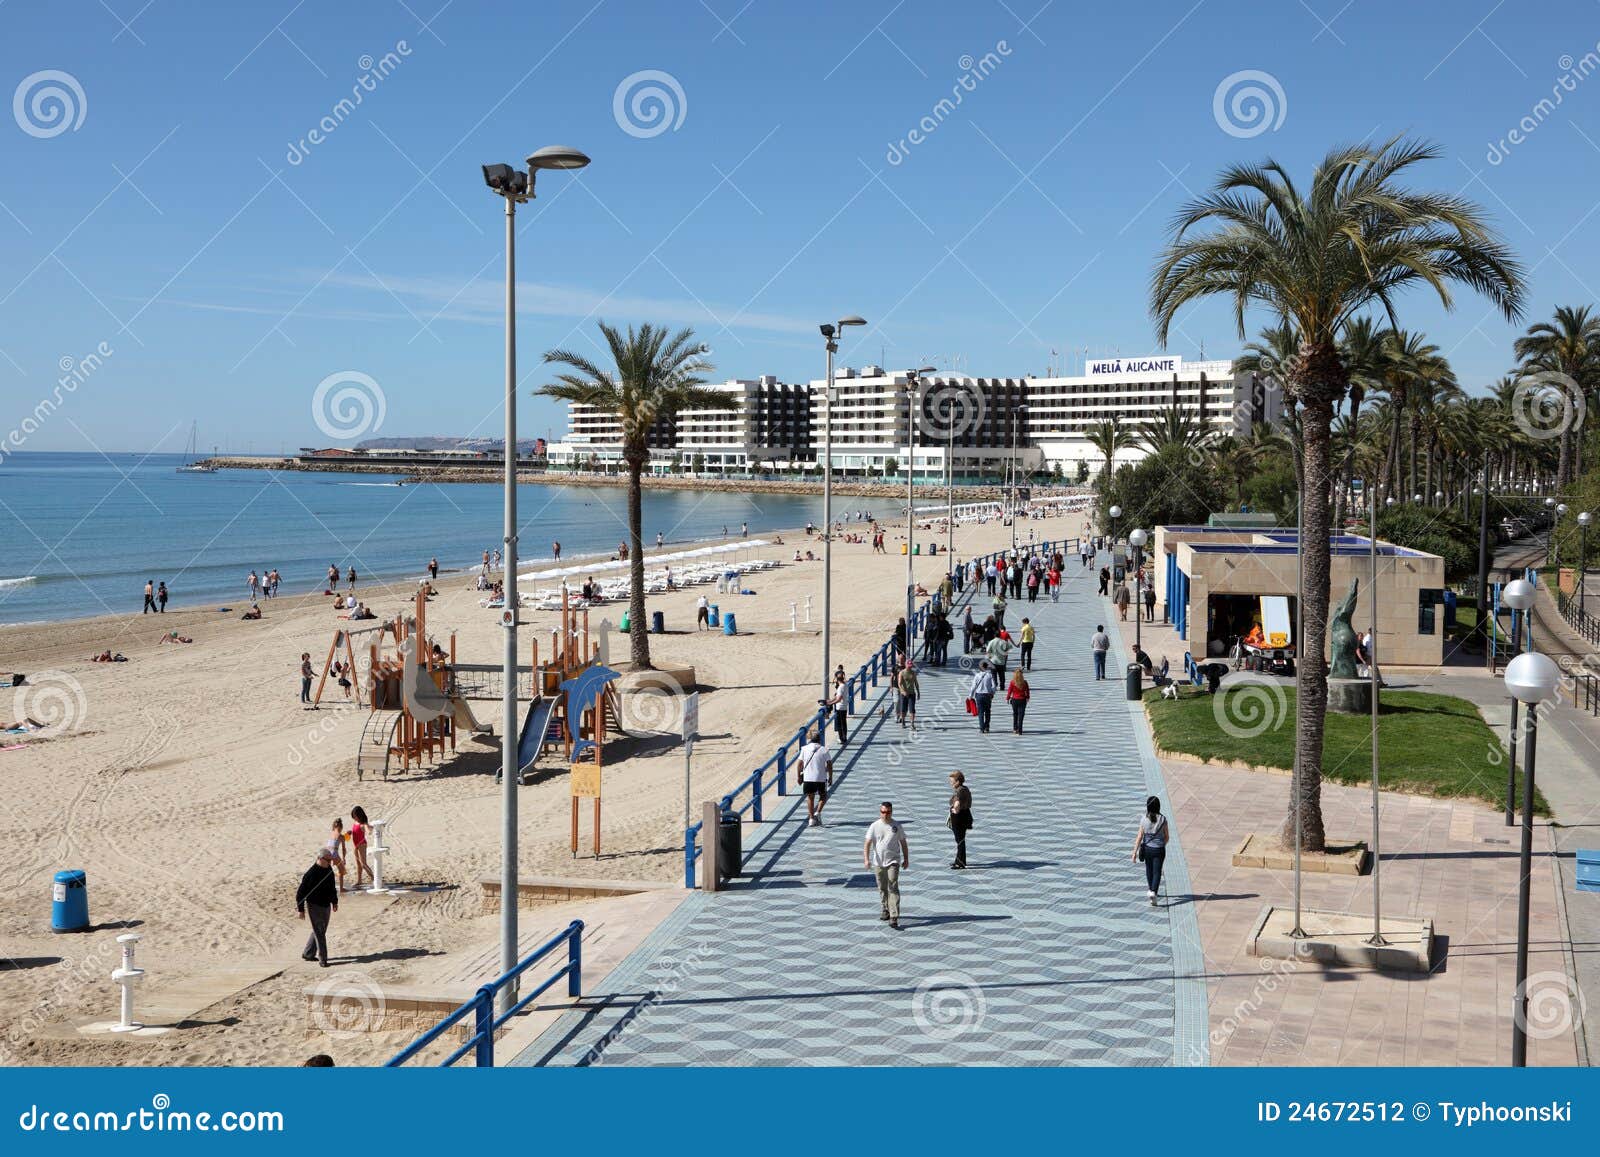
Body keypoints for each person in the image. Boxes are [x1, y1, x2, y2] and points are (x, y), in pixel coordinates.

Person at [863, 801, 909, 929]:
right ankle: (885, 909)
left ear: (891, 812)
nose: (885, 815)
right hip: (878, 862)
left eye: (888, 812)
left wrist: (906, 859)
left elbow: (903, 843)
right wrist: (866, 859)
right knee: (882, 887)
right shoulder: (874, 826)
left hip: (893, 861)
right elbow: (867, 843)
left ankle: (894, 916)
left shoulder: (897, 826)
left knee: (892, 885)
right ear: (880, 812)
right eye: (883, 812)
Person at [296, 847, 339, 966]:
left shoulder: (328, 869)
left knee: (320, 930)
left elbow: (332, 887)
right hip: (314, 905)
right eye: (328, 860)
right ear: (320, 859)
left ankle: (308, 953)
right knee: (319, 931)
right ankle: (323, 959)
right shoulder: (311, 874)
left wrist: (334, 902)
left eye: (331, 860)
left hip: (326, 905)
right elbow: (300, 893)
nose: (330, 862)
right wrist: (301, 910)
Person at [1131, 795, 1170, 906]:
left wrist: (1134, 852)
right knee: (1157, 871)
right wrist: (1162, 844)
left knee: (1149, 869)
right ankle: (1153, 892)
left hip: (1147, 849)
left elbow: (1139, 836)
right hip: (1159, 849)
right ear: (1158, 806)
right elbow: (1167, 836)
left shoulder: (1144, 819)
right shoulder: (1163, 819)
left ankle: (1151, 889)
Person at [795, 728, 832, 827]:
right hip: (821, 777)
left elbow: (799, 764)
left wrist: (799, 777)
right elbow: (829, 764)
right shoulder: (824, 750)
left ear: (809, 739)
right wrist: (830, 776)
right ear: (819, 739)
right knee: (823, 796)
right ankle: (818, 812)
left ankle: (811, 819)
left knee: (810, 797)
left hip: (808, 778)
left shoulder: (804, 749)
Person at [947, 771, 972, 869]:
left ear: (957, 781)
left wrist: (954, 810)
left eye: (952, 781)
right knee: (961, 840)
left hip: (959, 818)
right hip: (965, 815)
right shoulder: (965, 789)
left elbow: (957, 804)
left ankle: (960, 863)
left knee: (959, 841)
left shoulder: (959, 791)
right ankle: (960, 860)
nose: (951, 783)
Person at [968, 661, 997, 733]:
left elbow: (973, 687)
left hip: (979, 695)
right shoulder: (990, 675)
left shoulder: (977, 676)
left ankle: (981, 728)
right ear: (986, 667)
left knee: (980, 712)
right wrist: (992, 693)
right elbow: (994, 686)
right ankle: (987, 727)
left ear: (980, 668)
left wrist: (970, 696)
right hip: (987, 695)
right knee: (987, 712)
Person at [349, 806, 373, 889]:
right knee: (358, 864)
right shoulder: (355, 822)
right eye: (353, 816)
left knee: (363, 864)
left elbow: (368, 829)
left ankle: (374, 878)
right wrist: (350, 832)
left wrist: (369, 831)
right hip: (355, 845)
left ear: (360, 815)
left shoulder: (363, 824)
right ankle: (359, 881)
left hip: (362, 845)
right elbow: (356, 831)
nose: (354, 817)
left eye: (355, 816)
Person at [895, 660, 919, 729]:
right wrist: (903, 691)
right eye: (909, 666)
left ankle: (912, 723)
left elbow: (916, 683)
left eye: (911, 666)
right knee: (903, 709)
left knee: (912, 709)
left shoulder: (913, 673)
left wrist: (918, 692)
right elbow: (899, 684)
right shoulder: (902, 673)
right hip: (904, 694)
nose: (910, 667)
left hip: (912, 693)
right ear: (906, 665)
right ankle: (903, 721)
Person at [828, 667, 849, 746]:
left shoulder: (840, 687)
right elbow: (837, 696)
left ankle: (842, 739)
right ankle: (844, 737)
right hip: (844, 707)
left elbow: (839, 698)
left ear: (837, 679)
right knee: (844, 723)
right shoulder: (845, 685)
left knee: (840, 724)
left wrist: (830, 703)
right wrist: (830, 701)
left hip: (840, 708)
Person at [326, 818, 349, 892]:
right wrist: (344, 858)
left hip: (327, 853)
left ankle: (327, 888)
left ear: (334, 826)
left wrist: (347, 835)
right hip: (334, 853)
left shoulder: (331, 833)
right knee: (342, 870)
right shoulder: (341, 836)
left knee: (327, 872)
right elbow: (343, 849)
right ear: (341, 827)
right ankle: (341, 889)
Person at [1007, 668, 1031, 734]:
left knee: (1015, 714)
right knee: (1021, 715)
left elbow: (1009, 691)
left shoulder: (1012, 682)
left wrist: (1008, 698)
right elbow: (1027, 691)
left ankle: (1015, 728)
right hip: (1022, 700)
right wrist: (1027, 697)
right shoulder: (1024, 682)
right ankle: (1020, 730)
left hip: (1014, 700)